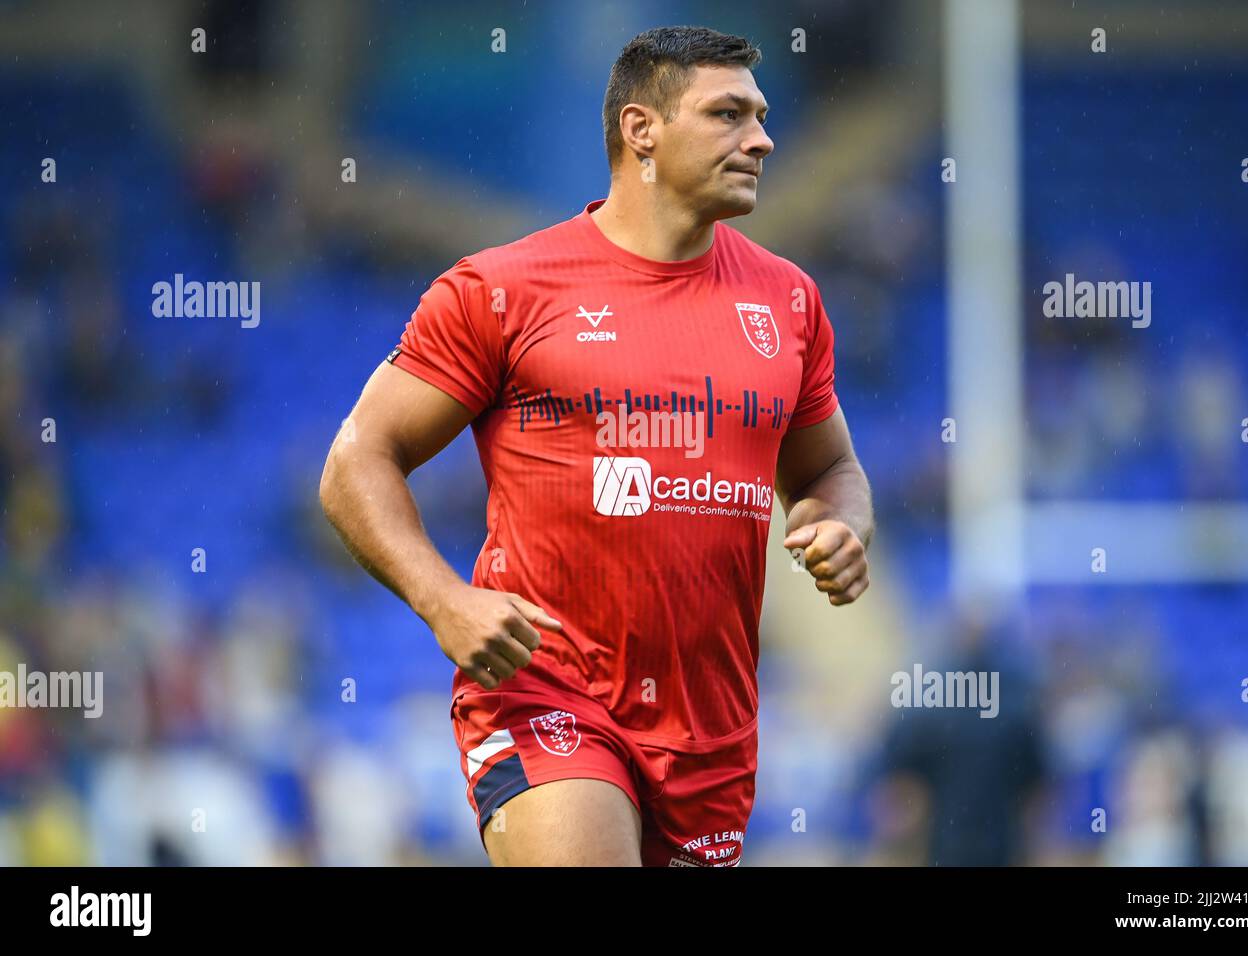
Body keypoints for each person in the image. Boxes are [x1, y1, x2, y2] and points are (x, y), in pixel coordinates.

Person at [319, 25, 874, 866]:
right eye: (727, 114)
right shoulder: (503, 289)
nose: (761, 138)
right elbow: (356, 460)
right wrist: (444, 601)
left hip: (710, 728)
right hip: (549, 690)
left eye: (760, 116)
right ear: (640, 130)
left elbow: (830, 467)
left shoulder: (788, 301)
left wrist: (840, 522)